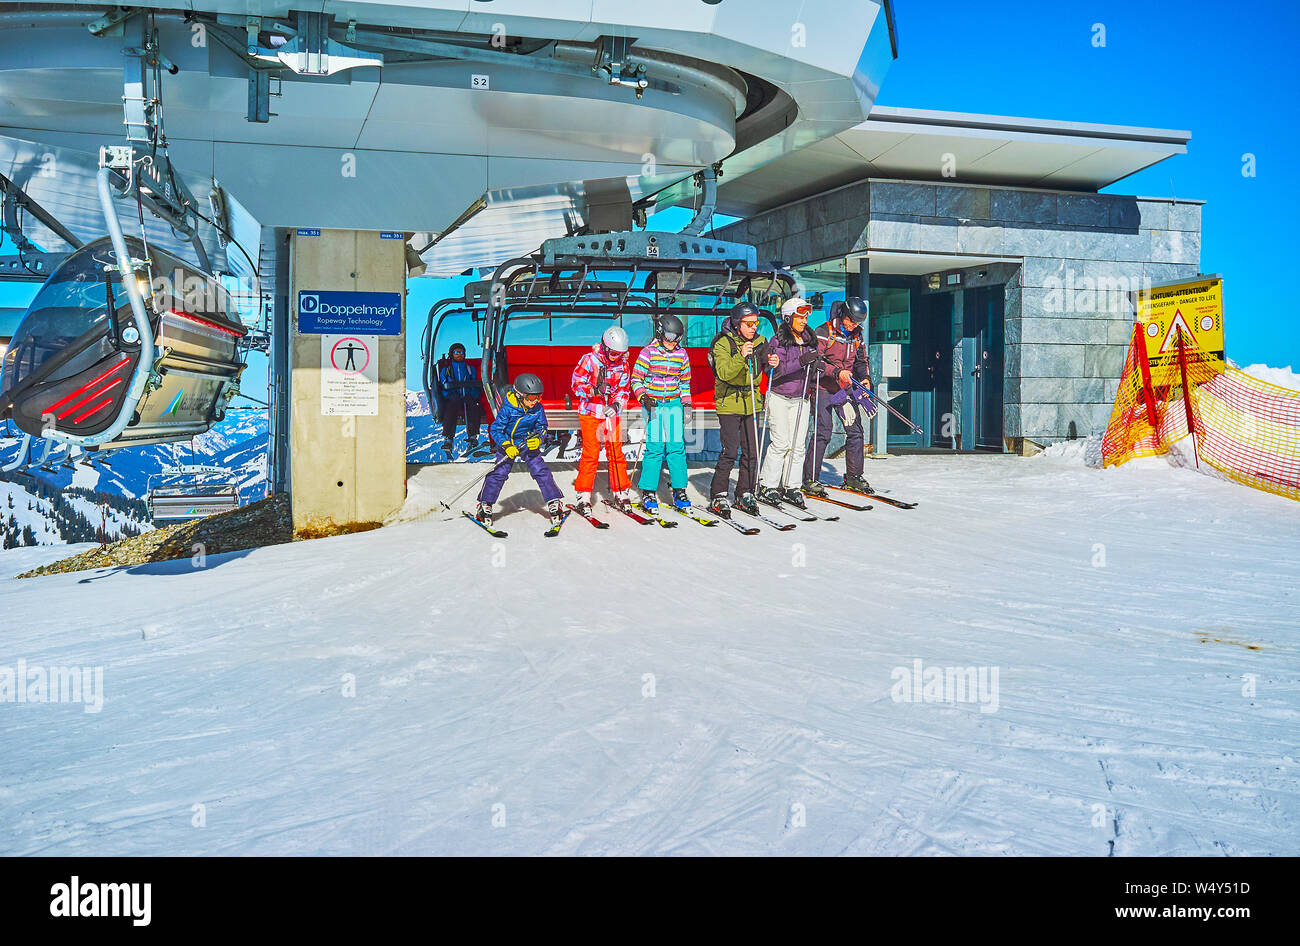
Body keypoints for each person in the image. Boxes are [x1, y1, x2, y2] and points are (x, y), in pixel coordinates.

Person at [803, 296, 874, 496]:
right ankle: (810, 478)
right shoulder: (823, 332)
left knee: (855, 430)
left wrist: (866, 378)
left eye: (858, 323)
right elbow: (815, 361)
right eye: (851, 321)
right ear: (843, 314)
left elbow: (861, 361)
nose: (853, 325)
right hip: (824, 387)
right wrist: (835, 372)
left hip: (844, 388)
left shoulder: (857, 335)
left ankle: (853, 476)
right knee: (823, 431)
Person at [475, 373, 564, 527]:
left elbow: (542, 427)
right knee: (499, 472)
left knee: (540, 470)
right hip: (509, 444)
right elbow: (496, 429)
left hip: (528, 443)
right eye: (531, 398)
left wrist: (538, 439)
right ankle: (485, 504)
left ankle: (553, 501)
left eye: (538, 397)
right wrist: (506, 445)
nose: (535, 401)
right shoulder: (508, 409)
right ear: (520, 395)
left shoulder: (537, 409)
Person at [757, 296, 819, 509]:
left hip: (801, 397)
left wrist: (816, 368)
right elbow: (777, 371)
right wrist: (801, 361)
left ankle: (792, 486)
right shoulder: (778, 341)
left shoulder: (810, 340)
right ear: (788, 317)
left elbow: (813, 366)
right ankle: (768, 485)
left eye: (806, 316)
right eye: (800, 316)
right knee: (781, 443)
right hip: (780, 396)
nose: (804, 320)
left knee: (797, 446)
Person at [708, 302, 767, 517]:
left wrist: (772, 362)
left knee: (752, 450)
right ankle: (718, 493)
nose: (753, 328)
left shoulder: (760, 342)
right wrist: (740, 355)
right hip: (729, 402)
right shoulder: (723, 343)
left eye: (756, 323)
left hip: (751, 401)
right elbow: (723, 372)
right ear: (737, 323)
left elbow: (763, 369)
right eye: (749, 323)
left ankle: (745, 492)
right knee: (730, 450)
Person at [631, 313, 694, 512]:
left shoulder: (681, 354)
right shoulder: (647, 353)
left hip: (674, 402)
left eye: (677, 338)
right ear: (660, 333)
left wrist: (686, 404)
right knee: (656, 447)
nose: (673, 342)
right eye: (669, 336)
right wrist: (643, 397)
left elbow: (684, 382)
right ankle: (648, 490)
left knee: (676, 446)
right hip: (654, 404)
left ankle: (679, 488)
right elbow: (636, 380)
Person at [570, 325, 634, 513]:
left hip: (611, 413)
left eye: (620, 353)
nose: (616, 357)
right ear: (605, 346)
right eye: (613, 353)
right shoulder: (589, 360)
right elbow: (576, 384)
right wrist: (594, 390)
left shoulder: (623, 365)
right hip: (591, 411)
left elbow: (624, 390)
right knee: (591, 452)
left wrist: (617, 405)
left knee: (616, 451)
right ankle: (583, 494)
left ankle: (620, 490)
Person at [438, 342, 482, 455]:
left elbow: (476, 384)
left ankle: (472, 436)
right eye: (456, 352)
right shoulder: (447, 370)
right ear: (452, 354)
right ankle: (448, 438)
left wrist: (473, 394)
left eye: (461, 352)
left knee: (473, 406)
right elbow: (443, 385)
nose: (459, 355)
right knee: (451, 407)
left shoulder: (469, 369)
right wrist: (449, 395)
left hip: (467, 396)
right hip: (453, 397)